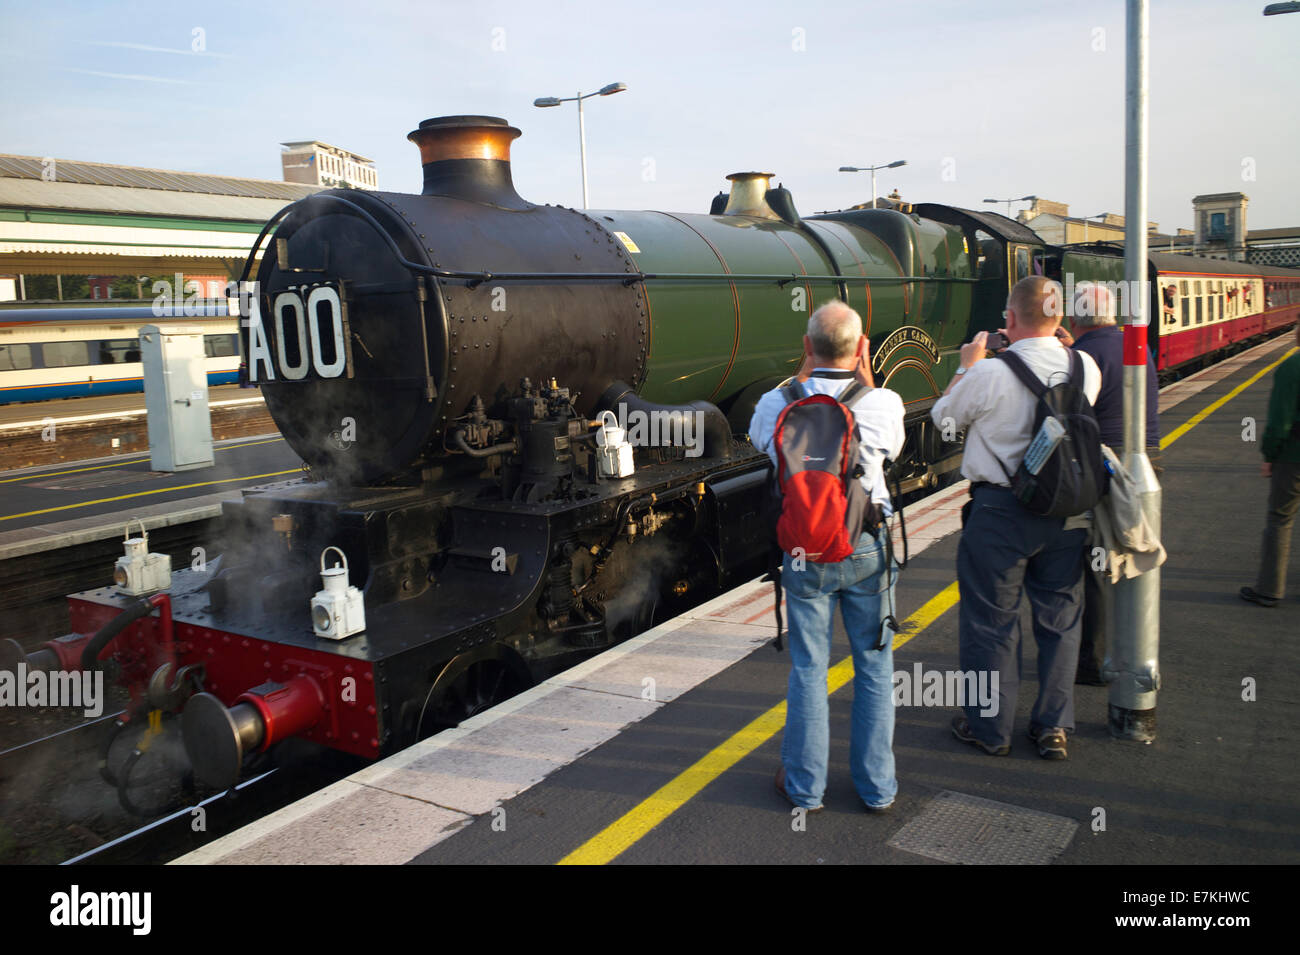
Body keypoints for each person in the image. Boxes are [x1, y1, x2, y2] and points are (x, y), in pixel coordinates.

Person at [931, 276, 1101, 760]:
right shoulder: (1084, 365)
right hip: (1070, 511)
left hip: (1002, 512)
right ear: (1060, 317)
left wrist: (966, 368)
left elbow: (945, 423)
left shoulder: (988, 373)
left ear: (1008, 319)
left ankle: (990, 728)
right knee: (1062, 619)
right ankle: (1053, 728)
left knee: (991, 621)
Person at [749, 301, 905, 812]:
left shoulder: (777, 403)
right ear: (862, 347)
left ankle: (805, 788)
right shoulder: (882, 402)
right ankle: (877, 790)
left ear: (806, 346)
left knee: (810, 669)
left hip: (804, 553)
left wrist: (799, 376)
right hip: (864, 547)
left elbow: (761, 445)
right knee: (875, 666)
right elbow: (893, 452)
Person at [1055, 282, 1163, 684]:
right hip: (1146, 459)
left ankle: (1093, 661)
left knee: (1097, 564)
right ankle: (1131, 649)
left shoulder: (1082, 356)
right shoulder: (1134, 348)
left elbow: (1073, 418)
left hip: (1107, 466)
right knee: (1130, 559)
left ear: (1074, 319)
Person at [1240, 321, 1300, 608]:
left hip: (1293, 457)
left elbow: (1280, 422)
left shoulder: (1292, 367)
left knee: (1280, 519)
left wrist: (1269, 456)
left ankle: (1270, 589)